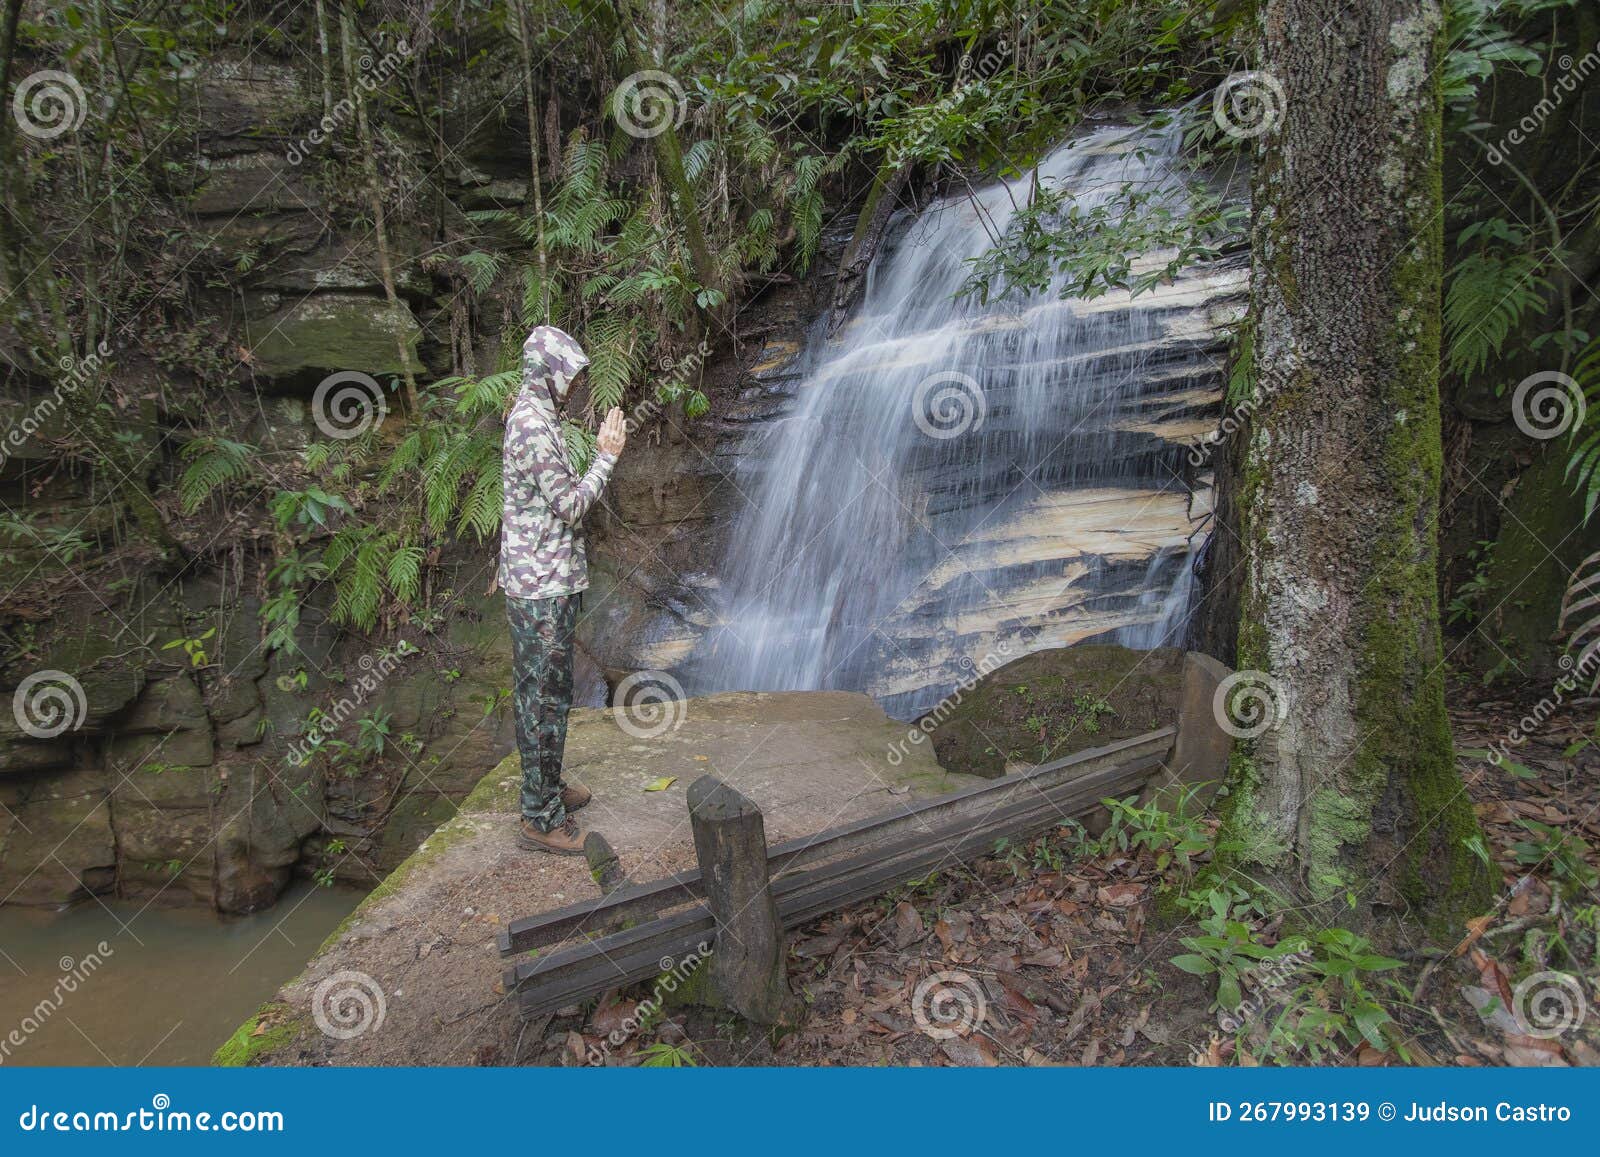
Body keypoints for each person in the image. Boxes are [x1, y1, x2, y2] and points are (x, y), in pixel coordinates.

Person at [497, 325, 626, 855]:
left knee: (552, 694)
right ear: (548, 373)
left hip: (549, 582)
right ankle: (538, 817)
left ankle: (548, 788)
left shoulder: (539, 418)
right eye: (569, 376)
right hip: (540, 590)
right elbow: (570, 506)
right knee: (542, 700)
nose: (574, 387)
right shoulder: (531, 427)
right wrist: (606, 456)